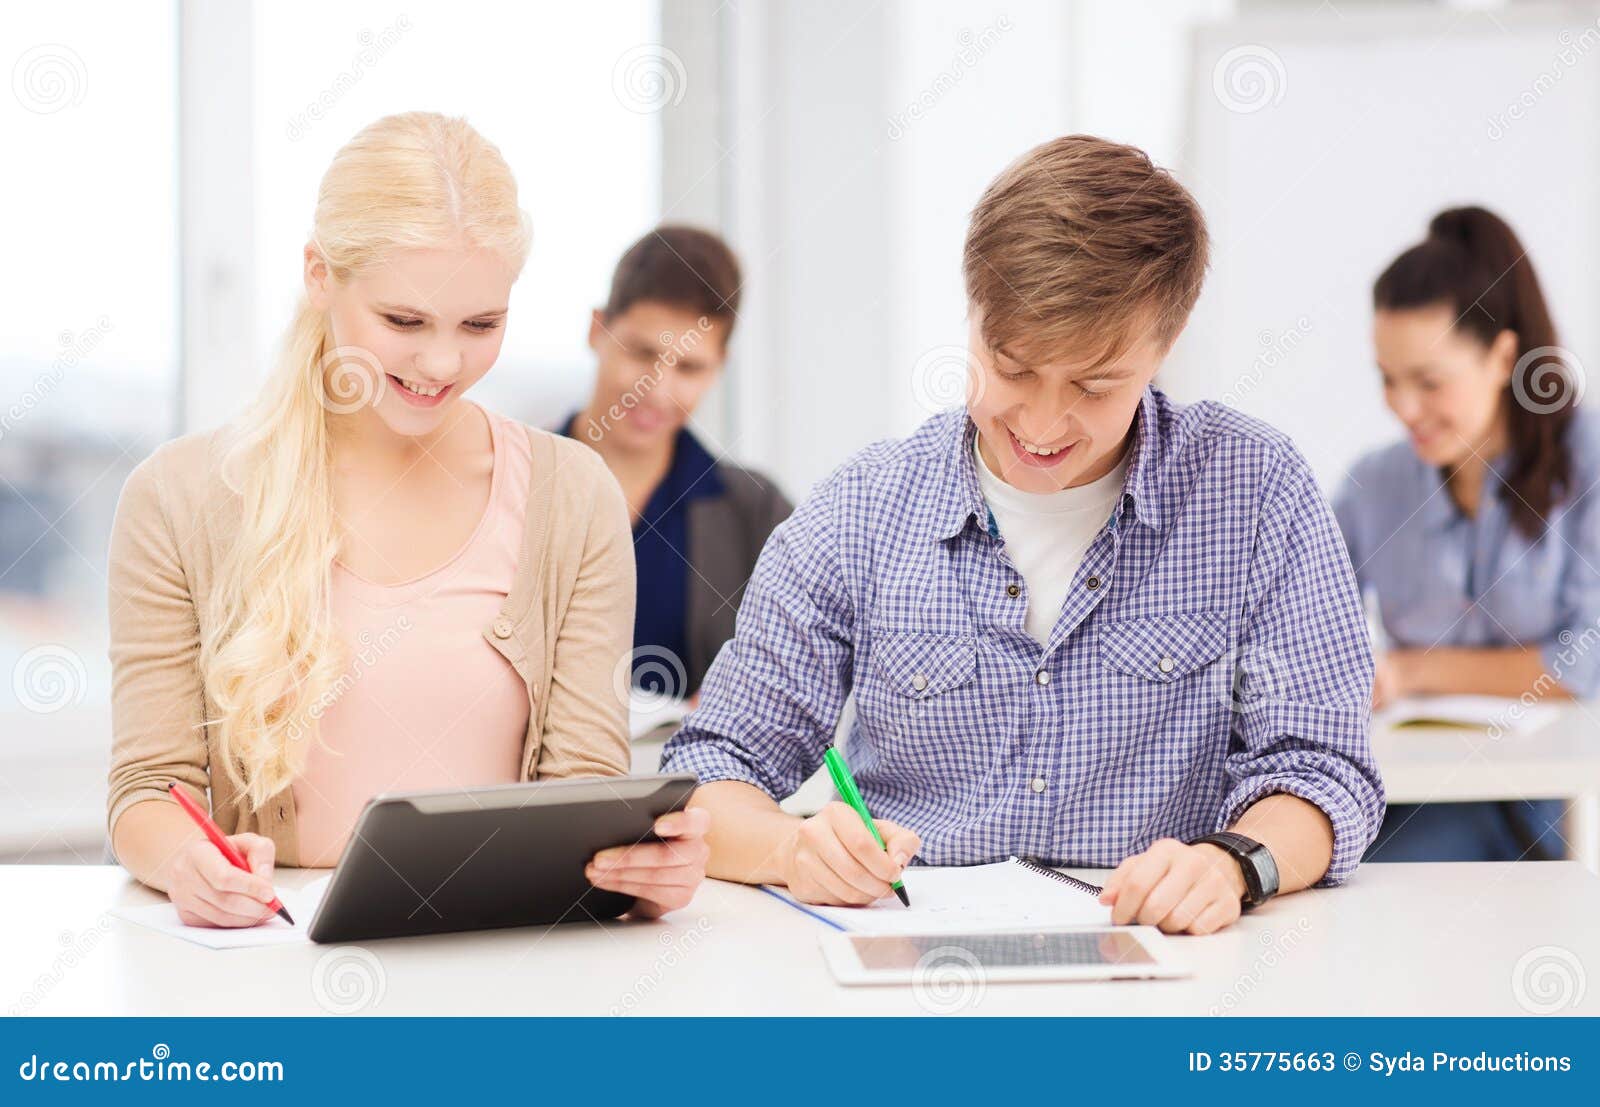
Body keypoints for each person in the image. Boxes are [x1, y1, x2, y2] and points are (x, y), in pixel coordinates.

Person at [661, 135, 1384, 936]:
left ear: (1165, 348)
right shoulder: (860, 511)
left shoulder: (1254, 489)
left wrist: (1233, 862)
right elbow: (708, 769)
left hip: (1165, 964)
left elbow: (1324, 771)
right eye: (1010, 369)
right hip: (911, 965)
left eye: (1095, 383)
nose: (1041, 424)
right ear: (970, 316)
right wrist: (792, 849)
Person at [105, 112, 708, 927]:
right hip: (273, 961)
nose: (441, 364)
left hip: (504, 950)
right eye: (404, 321)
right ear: (320, 274)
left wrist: (642, 870)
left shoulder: (572, 495)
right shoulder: (177, 497)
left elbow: (585, 789)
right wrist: (189, 863)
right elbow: (148, 790)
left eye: (480, 325)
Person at [1334, 206, 1600, 862]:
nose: (1403, 406)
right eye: (1387, 379)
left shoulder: (1585, 458)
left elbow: (1587, 659)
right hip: (1391, 780)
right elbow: (1300, 616)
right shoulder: (1376, 482)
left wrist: (1412, 672)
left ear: (1502, 356)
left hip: (1523, 797)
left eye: (1429, 381)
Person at [563, 226, 791, 702]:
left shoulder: (756, 512)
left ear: (720, 366)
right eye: (642, 353)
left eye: (689, 368)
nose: (657, 390)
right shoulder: (509, 481)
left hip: (688, 775)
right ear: (596, 331)